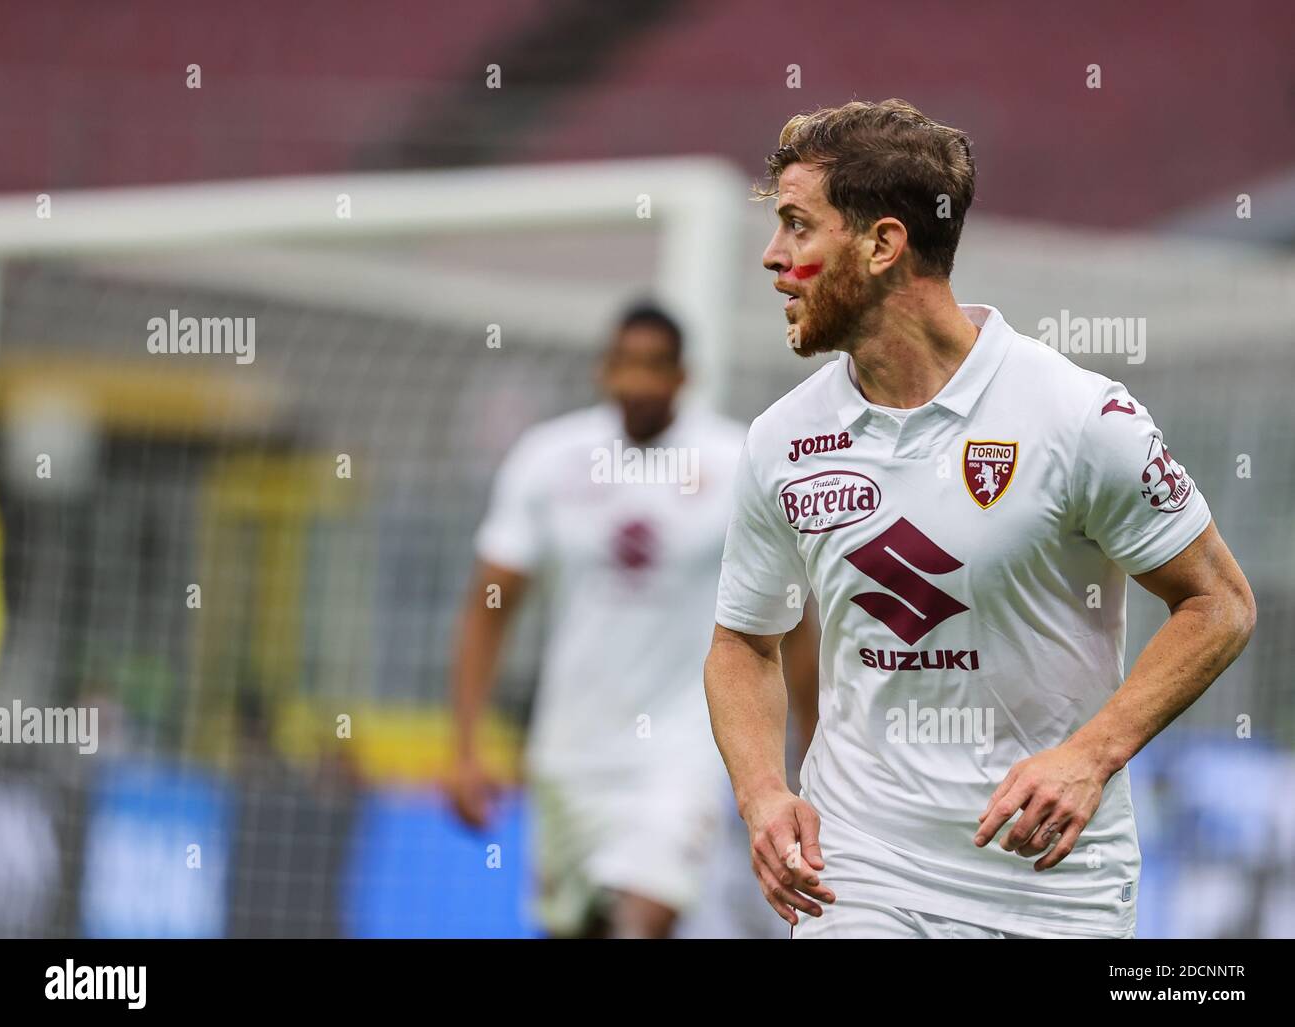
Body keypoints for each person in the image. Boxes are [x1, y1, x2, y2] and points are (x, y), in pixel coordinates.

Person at [704, 99, 1256, 939]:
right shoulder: (783, 441)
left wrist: (1090, 754)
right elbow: (744, 640)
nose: (775, 259)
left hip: (1053, 881)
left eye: (796, 226)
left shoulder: (1080, 418)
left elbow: (1219, 603)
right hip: (864, 867)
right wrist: (763, 792)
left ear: (884, 244)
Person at [449, 303, 817, 938]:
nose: (637, 383)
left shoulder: (735, 462)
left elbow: (795, 622)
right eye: (625, 366)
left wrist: (812, 755)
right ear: (603, 371)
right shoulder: (549, 460)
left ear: (683, 376)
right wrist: (465, 748)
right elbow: (490, 605)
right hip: (568, 751)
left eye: (654, 368)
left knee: (642, 919)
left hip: (683, 749)